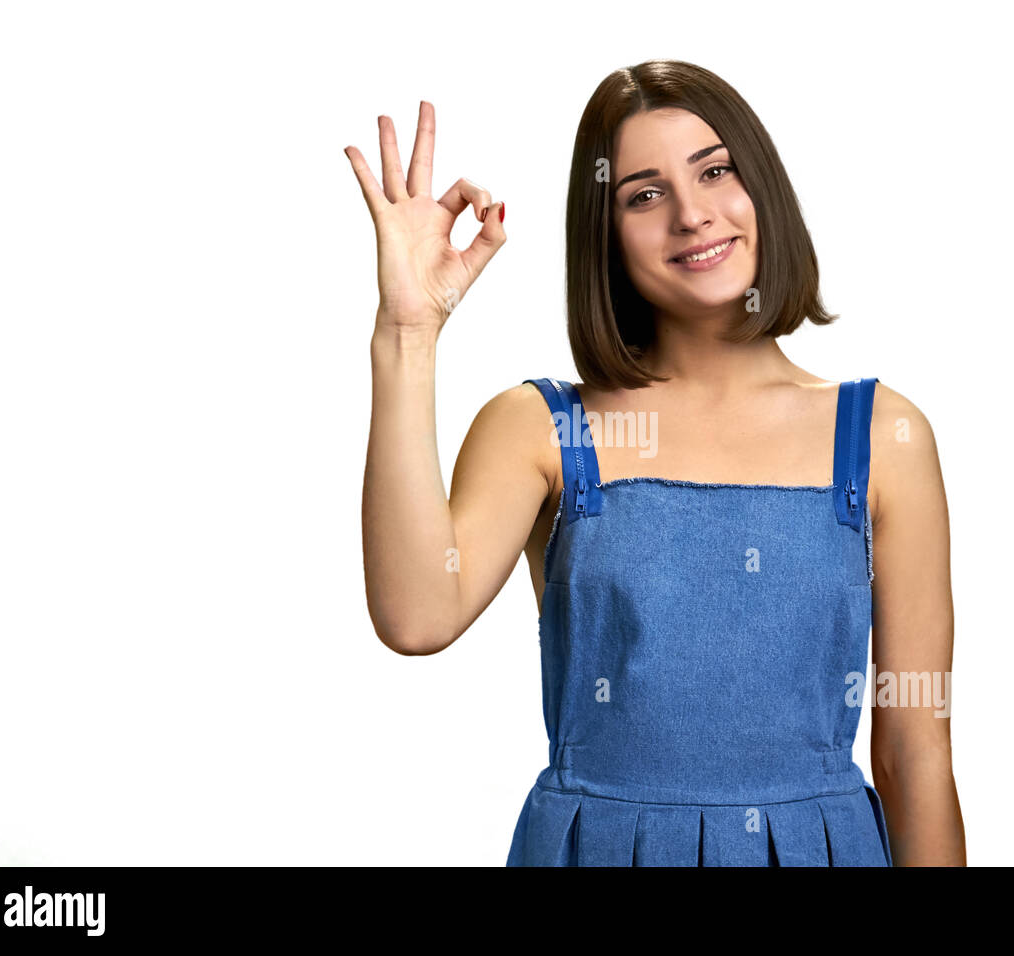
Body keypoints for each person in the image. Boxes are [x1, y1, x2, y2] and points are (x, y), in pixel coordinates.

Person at [347, 60, 965, 866]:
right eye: (644, 194)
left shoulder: (883, 434)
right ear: (603, 234)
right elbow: (416, 617)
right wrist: (407, 332)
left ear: (763, 186)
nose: (693, 215)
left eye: (715, 171)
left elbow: (916, 758)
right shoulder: (541, 428)